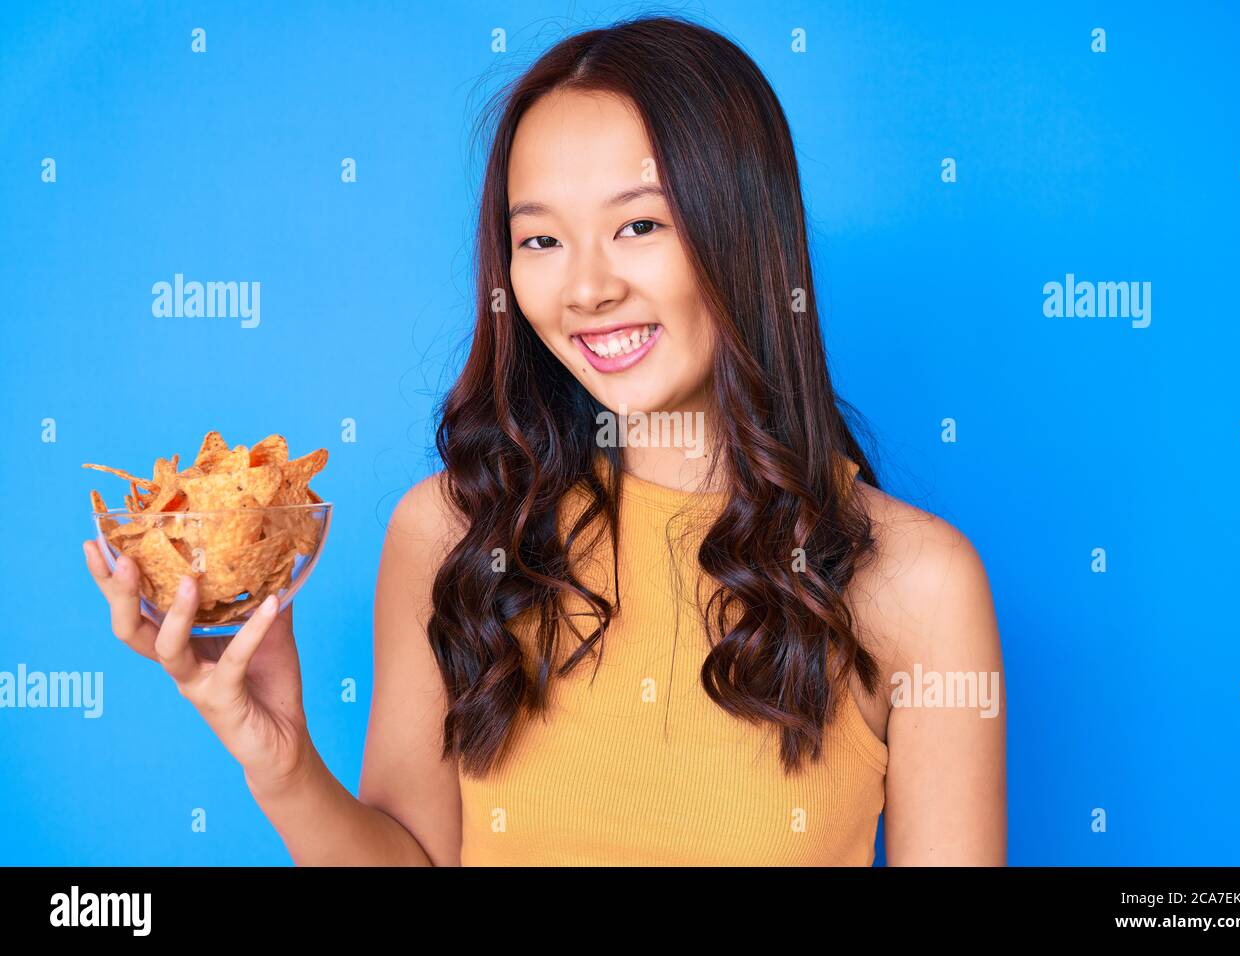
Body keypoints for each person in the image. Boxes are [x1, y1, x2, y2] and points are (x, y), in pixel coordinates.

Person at [82, 15, 1005, 866]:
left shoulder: (915, 586)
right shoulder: (452, 535)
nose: (586, 289)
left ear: (744, 236)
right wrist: (277, 759)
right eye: (541, 241)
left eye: (639, 225)